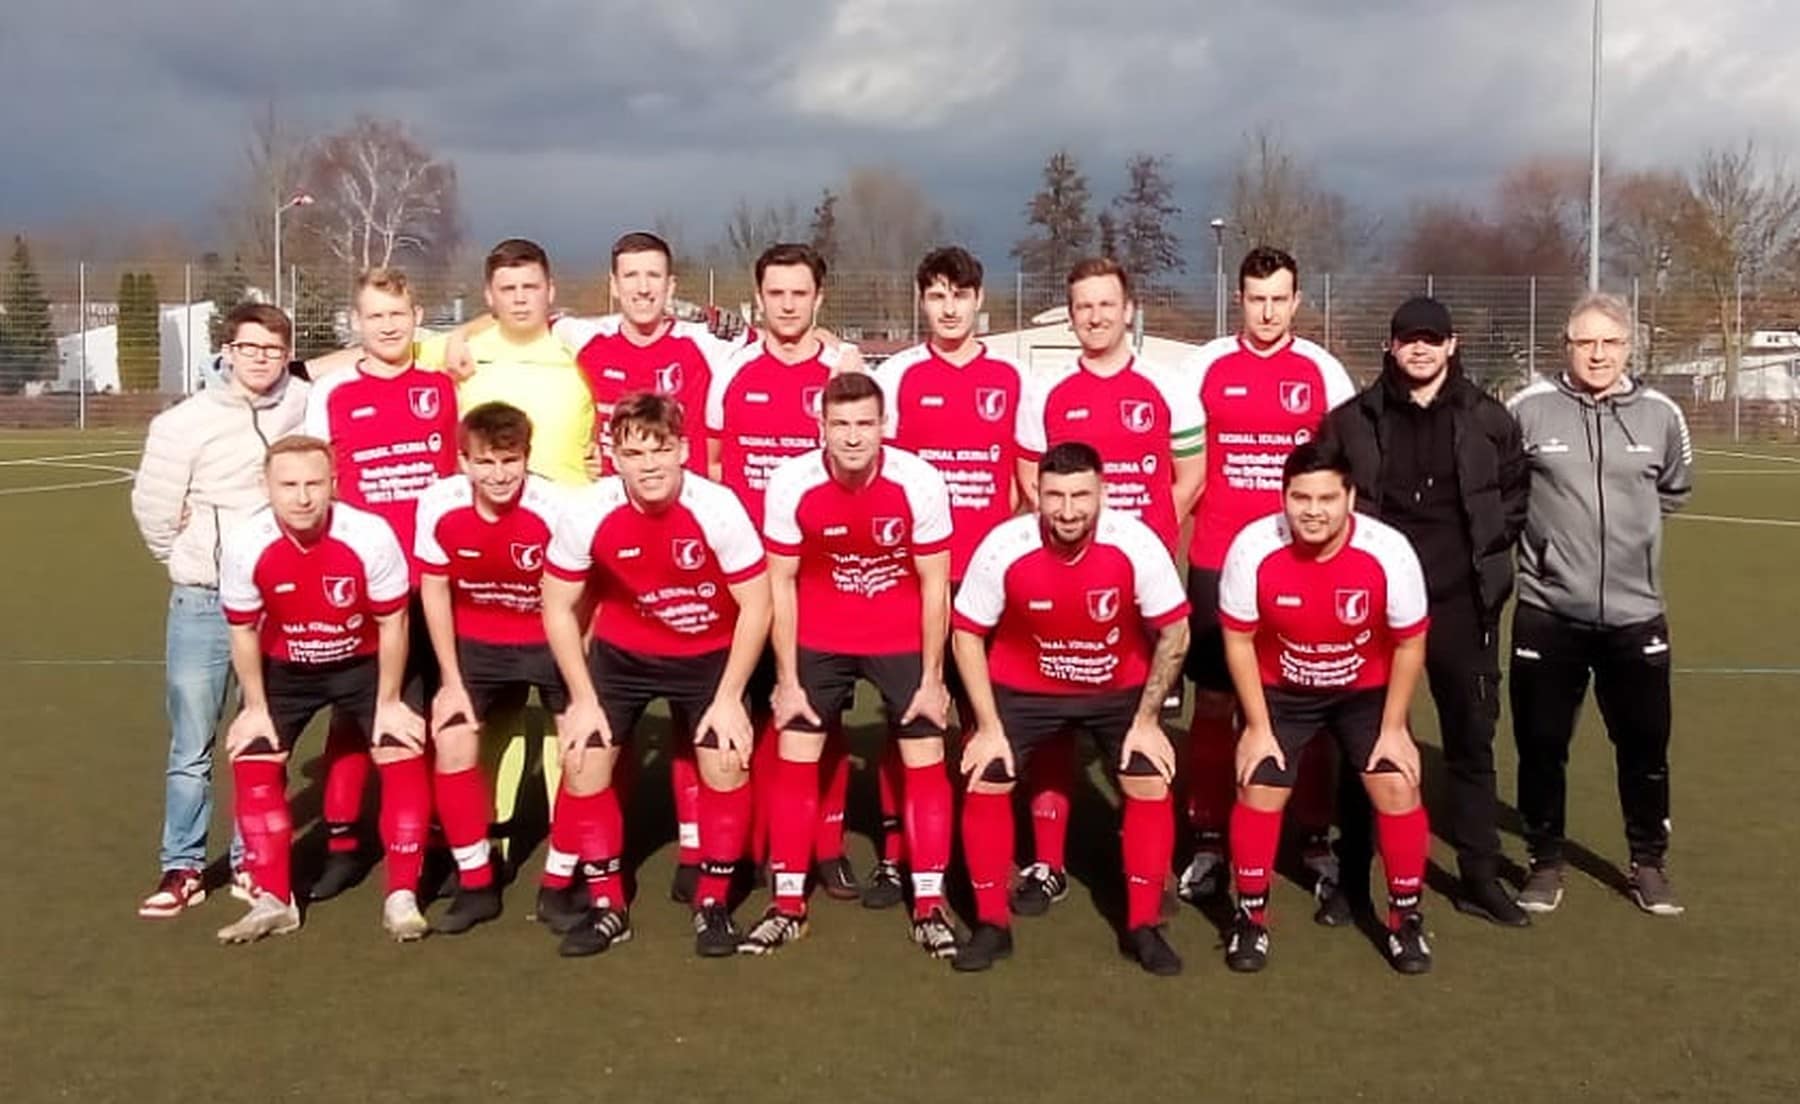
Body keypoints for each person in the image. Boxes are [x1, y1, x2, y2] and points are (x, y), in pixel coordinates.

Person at [1319, 297, 1530, 927]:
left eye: (1431, 339)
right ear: (1391, 345)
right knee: (1363, 743)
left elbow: (1515, 494)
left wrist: (1482, 556)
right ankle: (1353, 880)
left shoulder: (1488, 418)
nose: (1420, 348)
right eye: (1409, 338)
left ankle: (1479, 876)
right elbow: (1323, 494)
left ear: (1451, 344)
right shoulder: (1352, 420)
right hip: (1374, 608)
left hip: (1460, 602)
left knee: (1471, 739)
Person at [540, 392, 771, 957]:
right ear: (614, 457)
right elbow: (556, 606)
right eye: (633, 453)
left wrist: (730, 698)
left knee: (725, 760)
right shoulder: (588, 511)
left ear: (684, 451)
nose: (648, 465)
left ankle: (713, 903)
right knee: (583, 761)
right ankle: (607, 906)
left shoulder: (717, 508)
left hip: (710, 654)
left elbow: (758, 605)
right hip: (625, 654)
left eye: (660, 450)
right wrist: (582, 699)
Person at [951, 442, 1191, 975]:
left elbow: (1175, 631)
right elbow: (966, 633)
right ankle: (991, 925)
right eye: (1054, 496)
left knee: (1148, 777)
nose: (1067, 510)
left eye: (1080, 495)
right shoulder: (1004, 545)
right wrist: (987, 726)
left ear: (1102, 492)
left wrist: (1147, 721)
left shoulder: (1135, 544)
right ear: (1036, 494)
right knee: (986, 774)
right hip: (1024, 688)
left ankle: (1144, 926)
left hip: (1116, 690)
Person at [1014, 255, 1202, 916]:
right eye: (1083, 306)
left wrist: (1138, 545)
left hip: (1141, 592)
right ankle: (1048, 863)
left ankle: (1147, 865)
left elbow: (1191, 474)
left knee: (1146, 721)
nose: (1095, 317)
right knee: (1055, 718)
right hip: (1065, 582)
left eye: (1105, 304)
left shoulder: (1168, 386)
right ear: (1071, 316)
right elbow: (1028, 477)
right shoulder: (1046, 392)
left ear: (1129, 310)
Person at [747, 371, 957, 958]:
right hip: (821, 635)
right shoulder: (791, 482)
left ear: (885, 425)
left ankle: (930, 906)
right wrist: (787, 679)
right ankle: (787, 905)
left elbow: (935, 584)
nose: (853, 437)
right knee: (797, 754)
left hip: (899, 635)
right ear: (821, 427)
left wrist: (933, 679)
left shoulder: (919, 481)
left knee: (924, 756)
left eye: (865, 423)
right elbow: (781, 584)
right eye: (840, 424)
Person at [1176, 246, 1356, 908]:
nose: (1269, 312)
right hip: (1219, 561)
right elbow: (1181, 466)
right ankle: (1207, 838)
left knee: (1308, 697)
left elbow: (1344, 474)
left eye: (1280, 299)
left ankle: (1311, 836)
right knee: (1215, 702)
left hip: (1302, 565)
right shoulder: (1204, 367)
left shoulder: (1323, 372)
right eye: (1257, 299)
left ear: (1297, 301)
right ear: (1240, 301)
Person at [1506, 291, 1693, 917]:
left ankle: (1648, 863)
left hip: (1636, 616)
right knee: (1541, 744)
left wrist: (1628, 549)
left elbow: (1673, 489)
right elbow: (1505, 489)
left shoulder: (1661, 414)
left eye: (1610, 342)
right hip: (1548, 612)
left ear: (1629, 347)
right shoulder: (1528, 410)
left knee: (1645, 747)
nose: (1597, 354)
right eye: (1585, 342)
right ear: (1566, 346)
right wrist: (1552, 551)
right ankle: (1544, 861)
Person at [1218, 439, 1435, 975]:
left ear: (1350, 498)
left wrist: (1394, 728)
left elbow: (1410, 642)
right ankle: (1251, 917)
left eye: (1326, 499)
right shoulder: (1252, 548)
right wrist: (1257, 727)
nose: (1313, 511)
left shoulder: (1389, 551)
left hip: (1364, 692)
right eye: (1300, 498)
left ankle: (1405, 919)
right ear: (1283, 498)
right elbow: (1239, 641)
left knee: (1397, 783)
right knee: (1258, 782)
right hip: (1281, 692)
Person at [868, 245, 1034, 911]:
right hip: (915, 579)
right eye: (936, 295)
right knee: (910, 717)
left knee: (985, 716)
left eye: (959, 295)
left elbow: (1024, 483)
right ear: (922, 301)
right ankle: (898, 853)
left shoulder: (1014, 378)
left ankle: (985, 848)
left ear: (978, 300)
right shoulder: (898, 376)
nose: (949, 308)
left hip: (985, 581)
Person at [130, 303, 310, 918]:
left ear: (287, 355)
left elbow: (350, 362)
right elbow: (154, 508)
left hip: (276, 603)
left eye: (273, 349)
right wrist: (190, 557)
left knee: (263, 737)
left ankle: (249, 859)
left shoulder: (301, 402)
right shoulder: (182, 423)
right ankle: (182, 866)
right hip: (205, 601)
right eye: (249, 348)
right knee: (192, 746)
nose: (261, 359)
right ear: (227, 352)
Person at [214, 436, 428, 943]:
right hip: (287, 670)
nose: (303, 497)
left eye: (314, 483)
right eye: (288, 485)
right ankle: (274, 900)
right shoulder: (245, 543)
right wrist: (255, 708)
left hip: (366, 663)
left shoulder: (369, 534)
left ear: (334, 484)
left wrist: (390, 702)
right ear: (266, 486)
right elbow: (243, 631)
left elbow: (394, 622)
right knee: (253, 759)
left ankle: (402, 896)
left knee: (402, 749)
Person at [704, 242, 864, 899]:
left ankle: (826, 845)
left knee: (820, 716)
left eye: (801, 293)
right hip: (748, 579)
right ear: (758, 297)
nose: (789, 305)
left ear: (819, 298)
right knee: (752, 709)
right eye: (777, 293)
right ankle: (756, 844)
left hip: (819, 578)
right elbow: (715, 466)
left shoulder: (843, 371)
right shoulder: (732, 370)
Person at [300, 268, 460, 901]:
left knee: (433, 716)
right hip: (363, 586)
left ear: (417, 318)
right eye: (375, 316)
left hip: (434, 584)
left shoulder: (444, 387)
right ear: (357, 323)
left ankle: (433, 843)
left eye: (397, 315)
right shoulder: (333, 393)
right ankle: (343, 843)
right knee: (352, 716)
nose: (387, 326)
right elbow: (315, 479)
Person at [412, 401, 572, 934]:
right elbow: (435, 590)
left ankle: (561, 881)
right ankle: (477, 882)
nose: (499, 475)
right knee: (452, 743)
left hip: (548, 640)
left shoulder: (555, 507)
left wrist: (582, 680)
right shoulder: (438, 504)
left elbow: (580, 594)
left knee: (582, 752)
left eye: (510, 461)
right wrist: (450, 681)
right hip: (477, 644)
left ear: (527, 457)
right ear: (463, 462)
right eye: (485, 462)